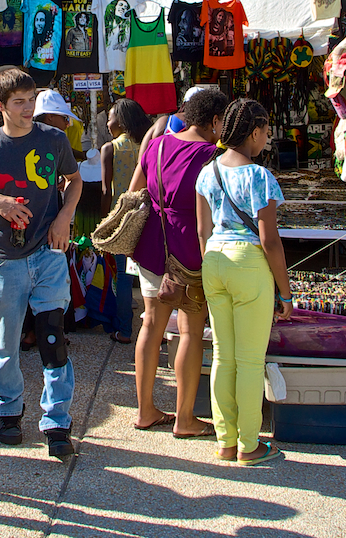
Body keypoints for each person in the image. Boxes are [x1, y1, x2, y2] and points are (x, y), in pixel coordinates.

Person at [0, 68, 83, 459]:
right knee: (6, 342)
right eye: (19, 102)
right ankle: (9, 413)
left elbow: (75, 180)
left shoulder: (54, 139)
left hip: (48, 253)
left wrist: (65, 217)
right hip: (4, 258)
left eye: (32, 100)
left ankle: (57, 423)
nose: (28, 108)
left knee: (53, 338)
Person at [195, 99, 291, 465]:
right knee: (250, 361)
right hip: (248, 262)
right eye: (266, 132)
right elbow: (270, 241)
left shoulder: (207, 172)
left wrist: (213, 269)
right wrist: (285, 292)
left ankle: (225, 441)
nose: (267, 139)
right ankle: (249, 445)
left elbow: (203, 232)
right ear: (255, 132)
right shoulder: (259, 176)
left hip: (214, 262)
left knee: (223, 356)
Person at [128, 88, 228, 437]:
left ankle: (145, 411)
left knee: (151, 324)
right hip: (189, 245)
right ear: (215, 121)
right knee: (190, 331)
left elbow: (135, 190)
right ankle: (184, 419)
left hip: (151, 243)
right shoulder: (211, 155)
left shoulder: (155, 146)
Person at [99, 98, 152, 344]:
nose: (107, 123)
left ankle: (124, 330)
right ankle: (157, 329)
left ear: (119, 121)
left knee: (124, 276)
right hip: (150, 216)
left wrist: (103, 222)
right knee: (151, 274)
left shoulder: (110, 149)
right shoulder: (149, 145)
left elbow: (106, 191)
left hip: (123, 221)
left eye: (109, 118)